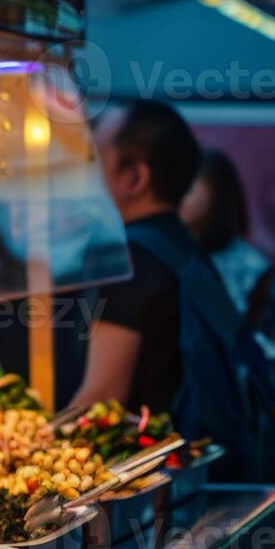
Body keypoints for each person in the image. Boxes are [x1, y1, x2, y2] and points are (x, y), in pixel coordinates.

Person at [70, 99, 202, 411]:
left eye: (94, 158)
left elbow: (102, 398)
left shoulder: (130, 260)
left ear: (135, 178)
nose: (84, 175)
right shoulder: (179, 244)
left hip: (154, 455)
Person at [180, 149, 275, 355]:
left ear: (217, 193)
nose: (179, 195)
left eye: (189, 186)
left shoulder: (253, 270)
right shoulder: (171, 255)